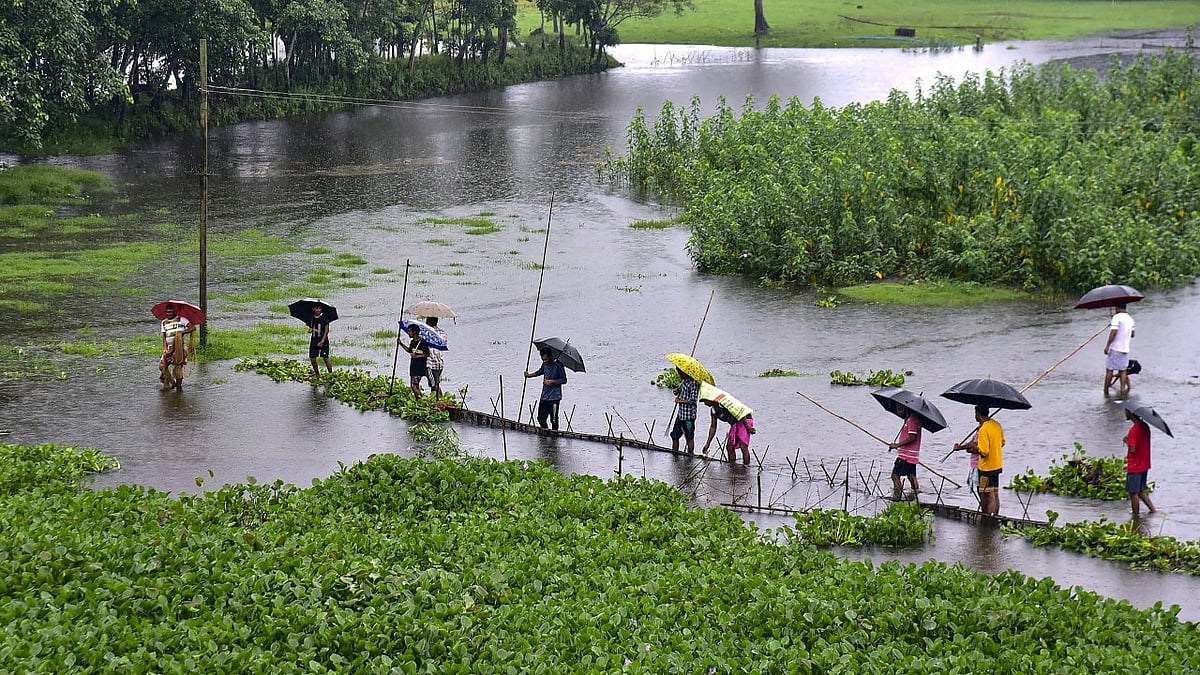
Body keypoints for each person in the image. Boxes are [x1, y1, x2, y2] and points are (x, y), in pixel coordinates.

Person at [954, 405, 1004, 515]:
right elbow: (1003, 442)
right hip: (997, 464)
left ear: (978, 414)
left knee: (988, 495)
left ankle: (988, 519)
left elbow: (984, 451)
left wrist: (976, 449)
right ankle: (995, 515)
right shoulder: (996, 424)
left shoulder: (983, 429)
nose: (975, 416)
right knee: (995, 493)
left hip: (986, 467)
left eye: (975, 413)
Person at [699, 382, 756, 465]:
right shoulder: (713, 411)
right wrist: (708, 443)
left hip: (744, 419)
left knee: (743, 446)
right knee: (729, 447)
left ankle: (746, 468)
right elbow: (713, 427)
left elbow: (739, 410)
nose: (705, 403)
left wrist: (748, 427)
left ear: (710, 399)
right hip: (734, 423)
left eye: (705, 401)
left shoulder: (724, 403)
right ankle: (732, 466)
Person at [1123, 408, 1157, 517]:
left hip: (1135, 465)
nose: (1124, 413)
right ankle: (1153, 511)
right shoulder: (1145, 426)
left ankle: (1135, 516)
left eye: (1126, 411)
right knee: (1141, 491)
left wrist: (1126, 441)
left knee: (1133, 493)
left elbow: (1132, 449)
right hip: (1144, 464)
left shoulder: (1134, 430)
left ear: (1131, 413)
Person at [524, 347, 567, 430]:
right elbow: (539, 372)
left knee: (554, 419)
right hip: (544, 396)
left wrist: (552, 381)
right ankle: (546, 434)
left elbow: (564, 380)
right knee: (541, 419)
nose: (544, 361)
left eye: (546, 359)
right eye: (543, 360)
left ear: (550, 357)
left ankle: (554, 439)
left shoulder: (559, 365)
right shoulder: (545, 365)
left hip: (555, 397)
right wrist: (529, 375)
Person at [888, 405, 922, 500]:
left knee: (895, 475)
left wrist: (897, 445)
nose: (898, 412)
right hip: (912, 455)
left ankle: (897, 497)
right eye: (897, 410)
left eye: (900, 410)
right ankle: (915, 496)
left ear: (906, 409)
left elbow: (912, 437)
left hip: (906, 455)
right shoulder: (913, 419)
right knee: (911, 476)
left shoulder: (911, 420)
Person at [158, 304, 195, 390]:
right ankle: (172, 381)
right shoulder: (164, 322)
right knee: (162, 366)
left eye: (170, 312)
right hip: (169, 347)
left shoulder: (181, 319)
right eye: (167, 312)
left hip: (180, 348)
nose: (169, 313)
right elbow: (164, 336)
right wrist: (164, 348)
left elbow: (192, 327)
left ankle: (179, 387)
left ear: (174, 311)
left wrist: (182, 333)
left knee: (178, 367)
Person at [1103, 302, 1136, 397]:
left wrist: (1107, 346)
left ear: (1117, 307)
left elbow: (1113, 333)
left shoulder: (1116, 317)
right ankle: (1122, 390)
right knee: (1123, 370)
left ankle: (1105, 391)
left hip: (1115, 348)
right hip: (1125, 349)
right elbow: (1133, 334)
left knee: (1110, 369)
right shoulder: (1130, 319)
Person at [669, 368, 700, 455]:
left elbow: (693, 400)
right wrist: (677, 391)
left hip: (689, 417)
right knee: (674, 436)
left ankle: (690, 456)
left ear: (686, 372)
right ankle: (675, 455)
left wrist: (680, 401)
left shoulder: (694, 383)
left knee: (689, 437)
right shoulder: (684, 382)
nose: (680, 375)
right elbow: (680, 390)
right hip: (681, 415)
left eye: (681, 373)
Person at [398, 323, 428, 397]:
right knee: (416, 386)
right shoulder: (412, 342)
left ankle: (422, 399)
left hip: (419, 367)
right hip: (413, 367)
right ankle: (419, 401)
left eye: (409, 331)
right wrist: (401, 344)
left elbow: (427, 354)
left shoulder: (422, 342)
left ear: (414, 332)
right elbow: (409, 350)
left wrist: (417, 356)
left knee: (413, 386)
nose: (408, 333)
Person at [424, 316, 448, 398]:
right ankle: (437, 401)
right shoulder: (443, 333)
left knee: (434, 385)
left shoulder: (426, 333)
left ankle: (441, 401)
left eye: (426, 321)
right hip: (440, 363)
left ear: (429, 322)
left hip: (430, 364)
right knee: (435, 384)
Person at [308, 305, 332, 378]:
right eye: (316, 308)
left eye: (319, 308)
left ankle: (331, 374)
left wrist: (322, 341)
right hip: (314, 340)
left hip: (323, 340)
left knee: (325, 357)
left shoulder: (324, 318)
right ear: (313, 309)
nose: (318, 310)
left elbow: (327, 330)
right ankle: (317, 374)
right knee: (312, 358)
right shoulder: (311, 318)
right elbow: (310, 327)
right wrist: (310, 329)